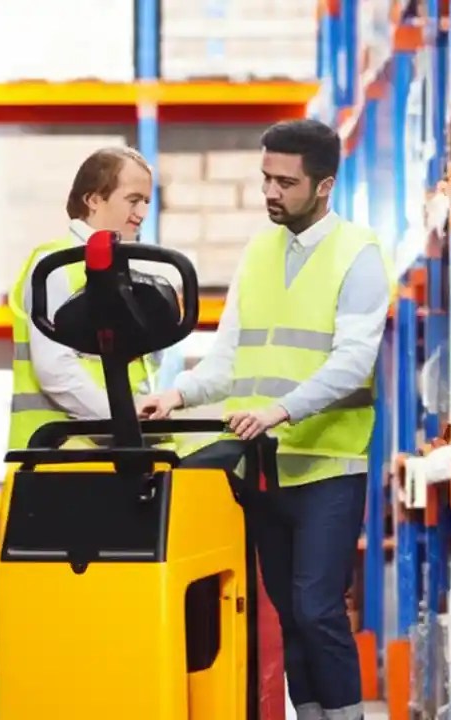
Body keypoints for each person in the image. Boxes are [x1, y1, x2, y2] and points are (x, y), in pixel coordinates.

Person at [139, 119, 391, 720]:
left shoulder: (359, 254)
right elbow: (229, 359)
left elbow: (355, 362)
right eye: (265, 179)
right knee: (285, 607)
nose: (270, 193)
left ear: (324, 186)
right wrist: (177, 395)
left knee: (317, 606)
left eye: (285, 182)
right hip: (262, 466)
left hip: (327, 464)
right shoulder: (258, 250)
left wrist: (279, 411)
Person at [5, 146, 159, 449]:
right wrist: (123, 418)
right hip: (62, 455)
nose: (142, 213)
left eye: (146, 202)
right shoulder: (56, 265)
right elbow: (55, 370)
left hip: (117, 450)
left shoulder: (130, 269)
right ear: (93, 200)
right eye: (133, 200)